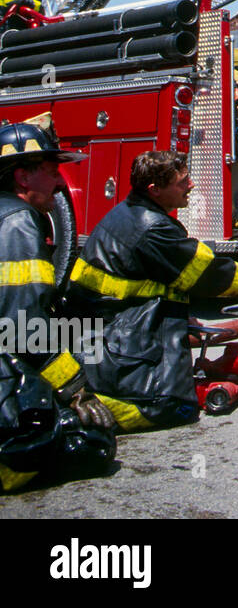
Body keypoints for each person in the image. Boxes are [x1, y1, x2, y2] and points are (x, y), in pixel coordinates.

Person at [66, 151, 238, 431]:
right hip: (113, 344)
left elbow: (147, 287)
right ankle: (91, 412)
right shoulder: (150, 228)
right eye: (182, 181)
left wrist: (180, 319)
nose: (191, 185)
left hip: (100, 334)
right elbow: (204, 273)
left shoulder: (131, 213)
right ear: (156, 190)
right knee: (172, 406)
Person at [0, 116, 116, 490]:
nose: (58, 181)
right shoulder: (17, 223)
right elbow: (20, 329)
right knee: (91, 444)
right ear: (22, 177)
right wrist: (76, 388)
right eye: (50, 171)